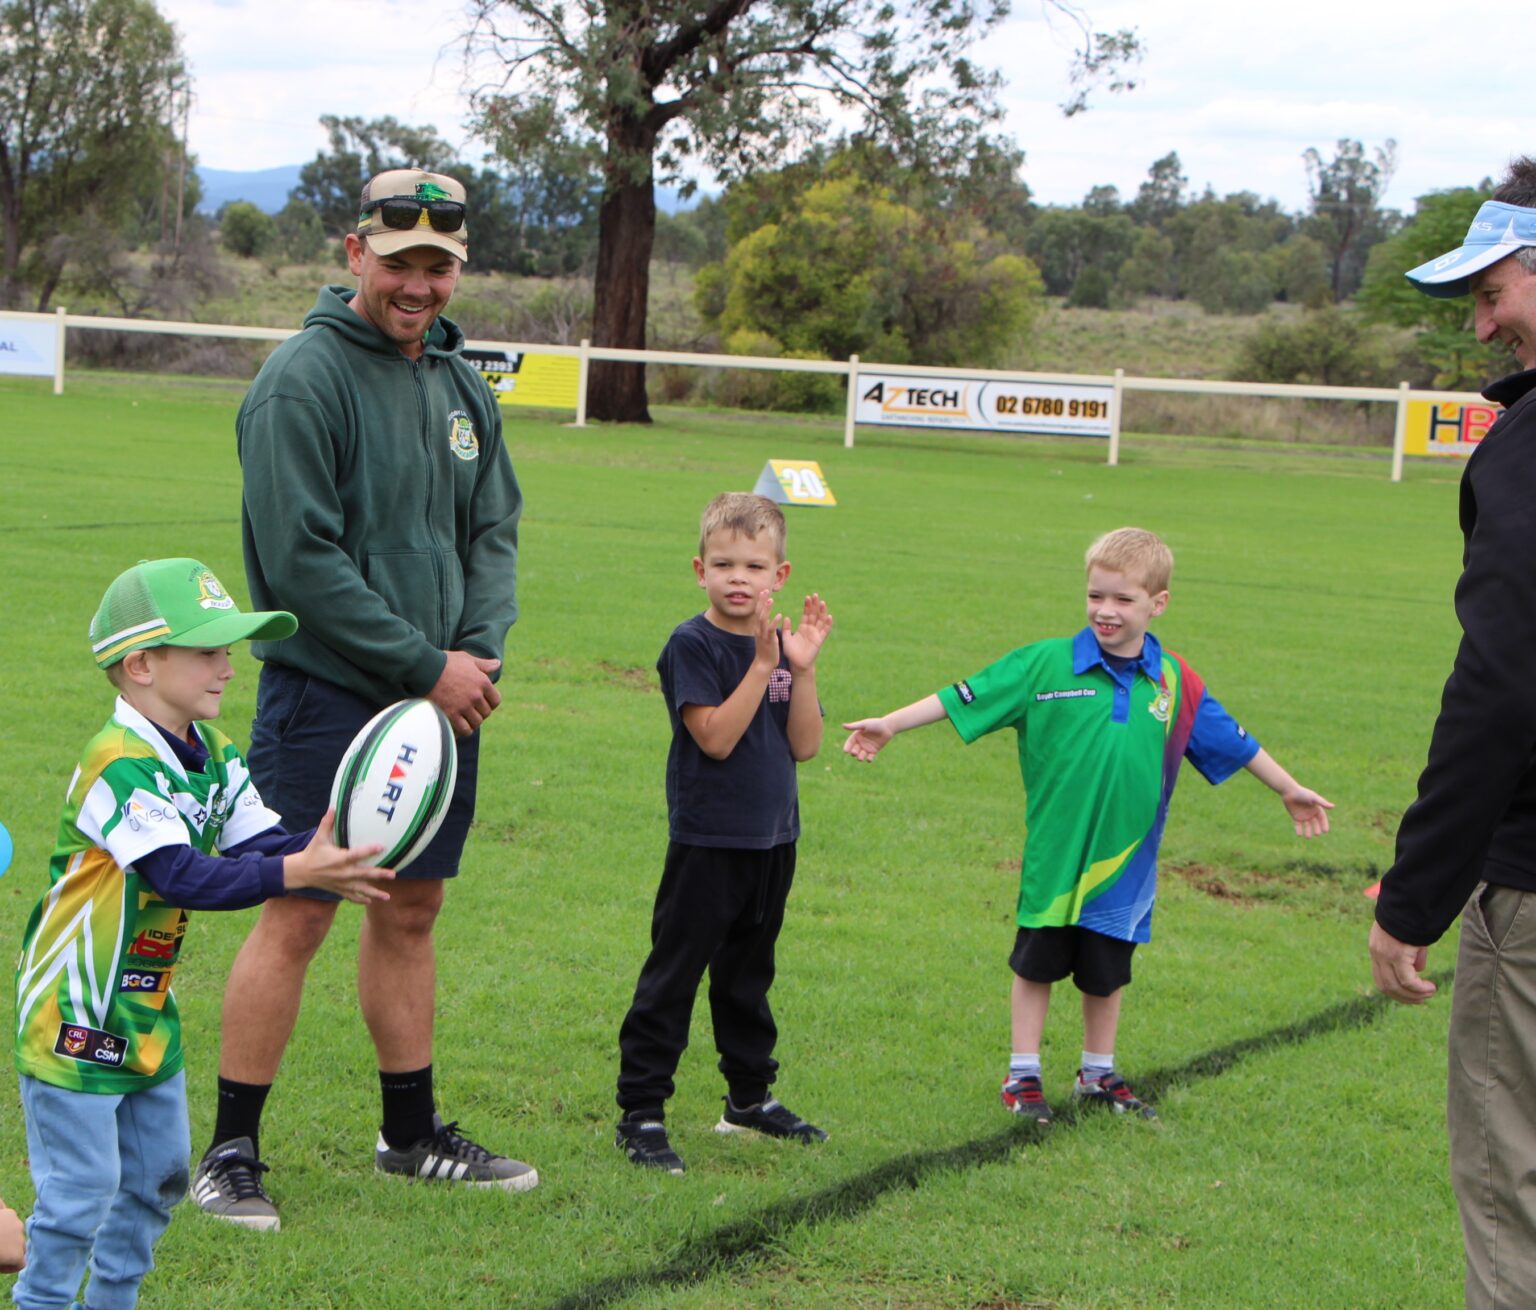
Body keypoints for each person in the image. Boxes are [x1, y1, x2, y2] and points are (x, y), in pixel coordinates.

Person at [191, 168, 530, 1230]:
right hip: (333, 696)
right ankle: (229, 1152)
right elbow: (300, 564)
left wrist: (472, 653)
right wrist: (424, 661)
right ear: (354, 256)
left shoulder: (460, 382)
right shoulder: (303, 380)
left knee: (414, 907)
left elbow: (494, 531)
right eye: (399, 265)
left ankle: (411, 1133)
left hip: (443, 702)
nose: (418, 286)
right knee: (297, 908)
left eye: (438, 267)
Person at [843, 527, 1333, 1123]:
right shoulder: (1044, 664)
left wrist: (1288, 788)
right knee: (1037, 961)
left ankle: (1097, 1074)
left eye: (1124, 600)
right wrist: (891, 724)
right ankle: (1022, 1075)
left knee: (1107, 969)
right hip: (1057, 852)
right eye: (1096, 596)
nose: (1106, 610)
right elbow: (960, 696)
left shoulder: (1175, 682)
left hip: (1125, 863)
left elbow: (1236, 739)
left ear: (1158, 603)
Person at [12, 558, 391, 1309]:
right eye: (209, 649)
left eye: (230, 647)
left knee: (159, 1178)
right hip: (74, 1014)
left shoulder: (212, 754)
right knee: (80, 1195)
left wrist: (337, 846)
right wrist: (299, 874)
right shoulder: (117, 764)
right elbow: (179, 876)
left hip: (146, 1008)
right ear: (142, 664)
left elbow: (261, 845)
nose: (228, 664)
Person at [1369, 157, 1536, 1309]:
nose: (1481, 325)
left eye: (1494, 291)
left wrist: (1414, 893)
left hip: (1530, 886)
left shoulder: (1524, 450)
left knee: (1510, 1174)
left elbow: (1503, 685)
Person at [614, 492, 833, 1174]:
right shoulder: (693, 644)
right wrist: (764, 667)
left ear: (780, 575)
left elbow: (805, 746)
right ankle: (642, 1113)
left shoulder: (779, 648)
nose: (739, 578)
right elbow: (713, 738)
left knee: (748, 976)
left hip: (773, 839)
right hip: (711, 841)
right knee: (674, 975)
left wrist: (801, 667)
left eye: (754, 566)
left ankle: (748, 1100)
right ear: (699, 569)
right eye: (723, 564)